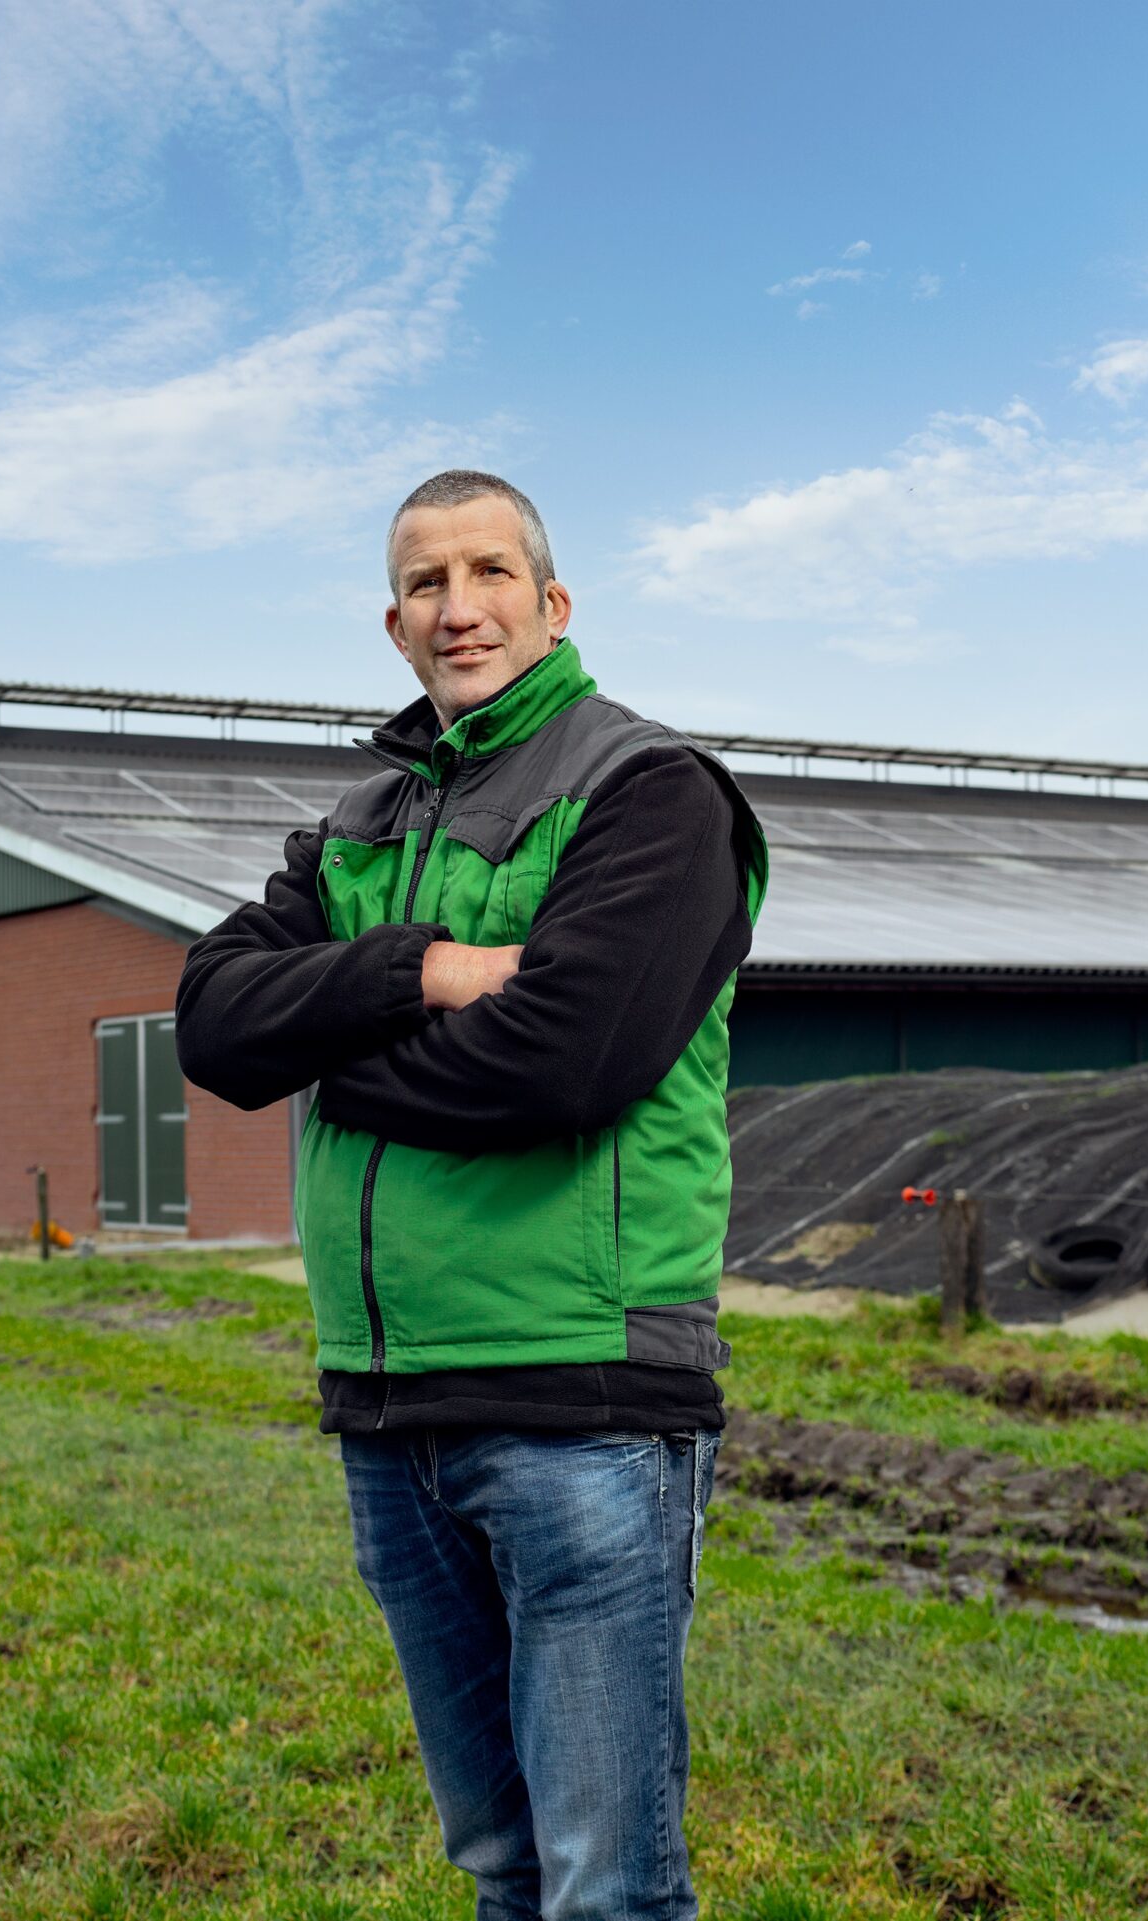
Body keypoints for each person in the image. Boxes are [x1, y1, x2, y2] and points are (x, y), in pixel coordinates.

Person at [176, 469, 767, 1920]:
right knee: (501, 1866)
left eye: (491, 573)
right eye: (428, 585)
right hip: (391, 1408)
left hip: (580, 1405)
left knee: (604, 1885)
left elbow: (566, 1061)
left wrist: (338, 1065)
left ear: (551, 602)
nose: (461, 608)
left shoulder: (649, 791)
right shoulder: (360, 823)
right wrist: (415, 973)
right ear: (395, 624)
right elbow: (213, 1023)